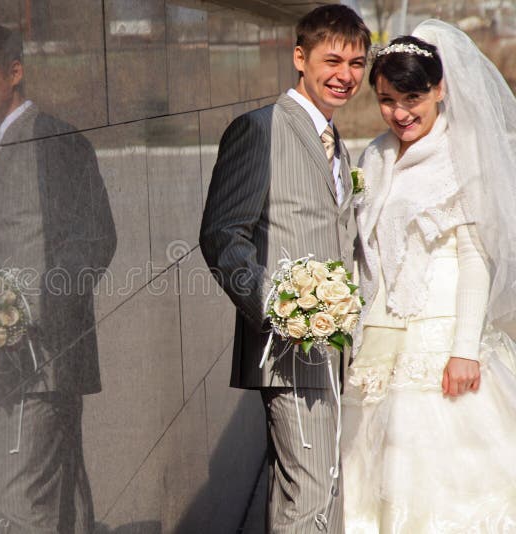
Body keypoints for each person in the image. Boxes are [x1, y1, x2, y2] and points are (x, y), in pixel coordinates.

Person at [200, 5, 371, 533]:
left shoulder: (336, 143)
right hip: (291, 349)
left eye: (358, 63)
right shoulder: (258, 129)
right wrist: (280, 315)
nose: (346, 75)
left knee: (304, 488)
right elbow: (223, 236)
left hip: (330, 352)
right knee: (312, 492)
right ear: (300, 57)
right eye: (333, 59)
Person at [342, 21, 516, 532]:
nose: (400, 112)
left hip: (441, 344)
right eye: (387, 99)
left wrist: (464, 348)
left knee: (448, 479)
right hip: (385, 337)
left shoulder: (461, 157)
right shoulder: (374, 155)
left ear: (440, 89)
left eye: (412, 97)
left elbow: (474, 259)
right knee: (379, 472)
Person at [0, 23, 116, 534]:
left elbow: (95, 238)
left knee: (19, 504)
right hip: (16, 361)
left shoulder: (52, 139)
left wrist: (28, 315)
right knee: (52, 498)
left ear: (14, 72)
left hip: (41, 359)